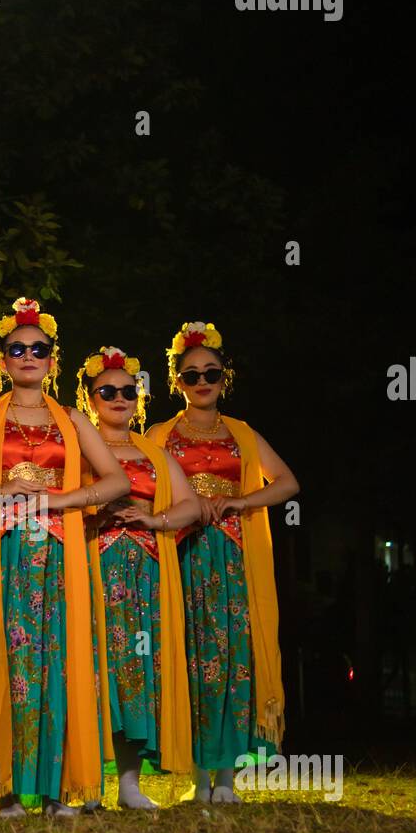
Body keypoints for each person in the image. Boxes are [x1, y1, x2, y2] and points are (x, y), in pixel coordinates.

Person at [0, 297, 130, 818]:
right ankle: (5, 788)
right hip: (3, 551)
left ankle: (57, 791)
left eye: (39, 349)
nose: (29, 356)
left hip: (59, 555)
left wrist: (62, 499)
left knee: (58, 663)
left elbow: (117, 481)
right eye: (18, 349)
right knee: (3, 663)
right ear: (3, 360)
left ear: (52, 360)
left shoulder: (73, 420)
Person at [145, 322, 299, 803]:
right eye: (191, 376)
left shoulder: (242, 434)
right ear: (177, 382)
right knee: (188, 657)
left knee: (232, 658)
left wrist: (240, 502)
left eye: (211, 372)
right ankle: (196, 778)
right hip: (182, 556)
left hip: (232, 559)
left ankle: (227, 779)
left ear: (224, 377)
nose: (202, 381)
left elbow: (287, 483)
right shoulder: (159, 435)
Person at [76, 345, 198, 809]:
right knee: (90, 668)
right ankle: (85, 781)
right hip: (91, 566)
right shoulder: (78, 447)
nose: (119, 398)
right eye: (108, 390)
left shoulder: (151, 450)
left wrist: (156, 521)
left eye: (128, 390)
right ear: (91, 397)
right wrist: (92, 511)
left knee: (136, 671)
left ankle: (129, 784)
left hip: (144, 571)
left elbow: (189, 504)